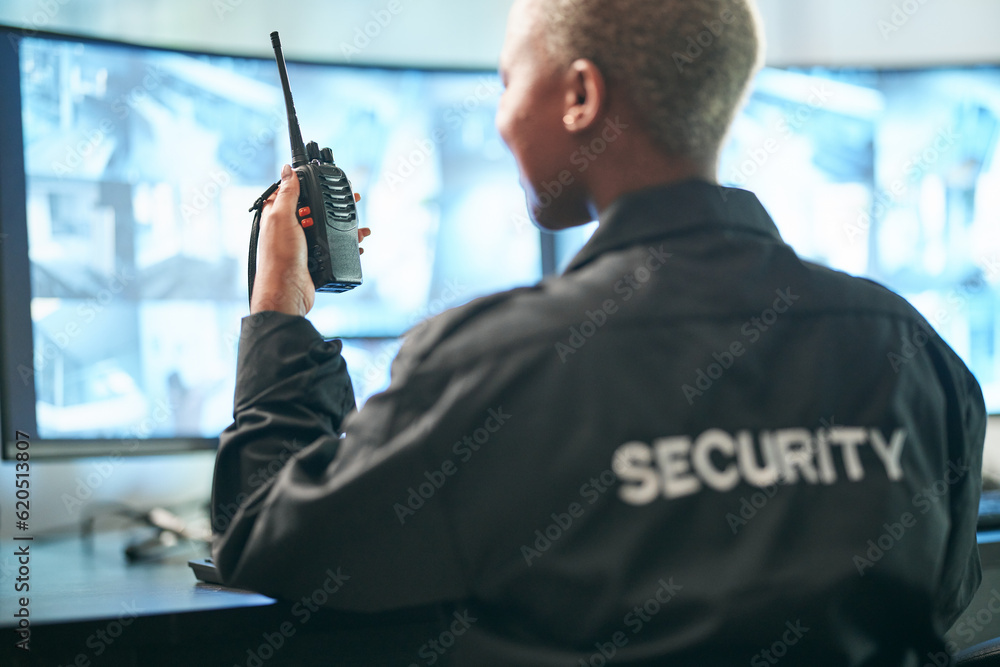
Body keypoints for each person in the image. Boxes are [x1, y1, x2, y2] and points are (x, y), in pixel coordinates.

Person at [211, 0, 987, 664]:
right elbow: (944, 599)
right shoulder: (914, 352)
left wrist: (280, 313)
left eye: (509, 81)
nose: (501, 116)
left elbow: (272, 543)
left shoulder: (492, 363)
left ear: (580, 94)